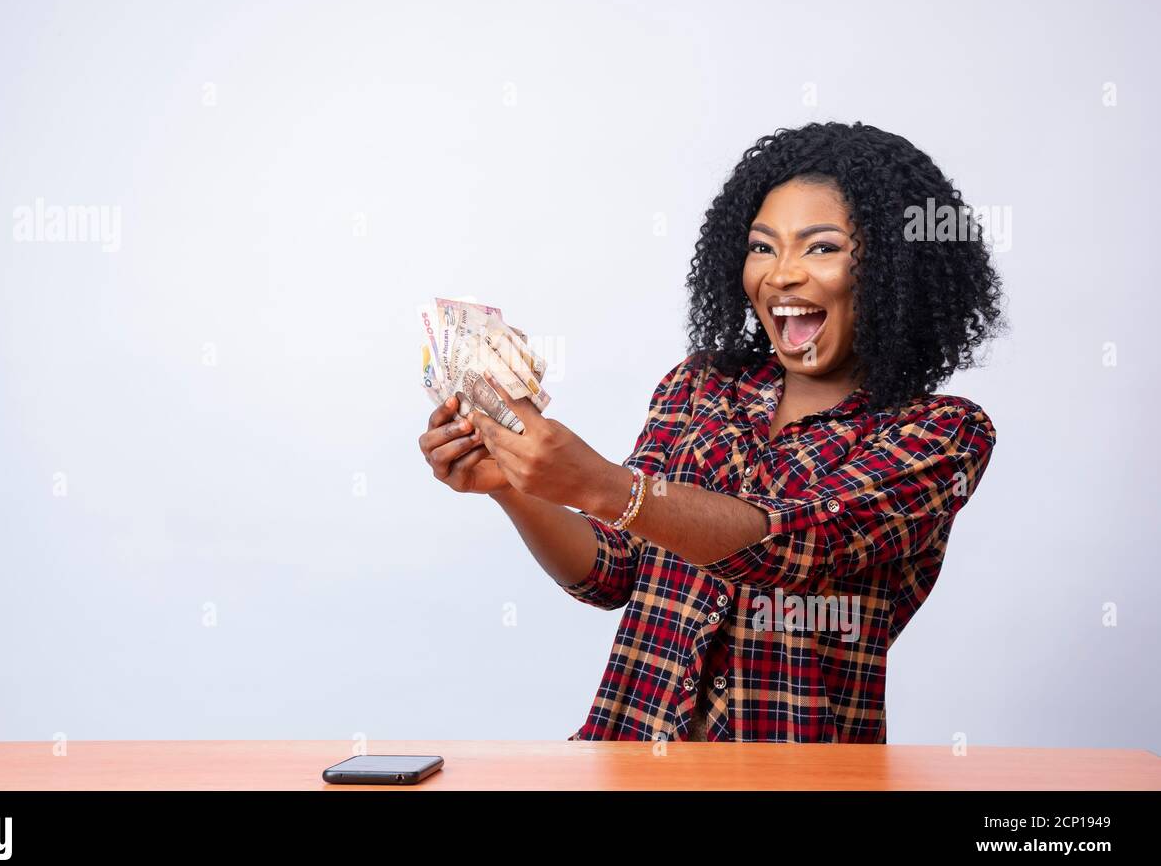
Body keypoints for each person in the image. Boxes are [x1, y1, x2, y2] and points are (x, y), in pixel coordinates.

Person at [417, 121, 1004, 742]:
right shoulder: (698, 386)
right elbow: (617, 569)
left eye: (821, 248)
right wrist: (514, 485)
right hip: (630, 767)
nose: (781, 275)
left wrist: (600, 485)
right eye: (762, 246)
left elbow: (795, 544)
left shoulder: (943, 434)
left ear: (894, 269)